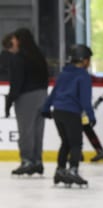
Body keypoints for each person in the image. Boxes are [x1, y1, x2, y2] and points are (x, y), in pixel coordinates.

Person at [39, 44, 95, 188]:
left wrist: (46, 108)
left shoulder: (64, 73)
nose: (89, 63)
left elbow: (54, 93)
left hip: (58, 112)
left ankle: (60, 170)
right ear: (83, 60)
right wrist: (91, 115)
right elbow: (85, 99)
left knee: (66, 142)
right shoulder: (83, 76)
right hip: (71, 113)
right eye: (89, 59)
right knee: (76, 143)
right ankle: (73, 170)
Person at [7, 28, 50, 176]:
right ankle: (37, 161)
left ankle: (27, 161)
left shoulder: (19, 57)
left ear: (19, 40)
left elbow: (16, 81)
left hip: (26, 96)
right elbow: (46, 76)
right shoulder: (39, 55)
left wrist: (10, 100)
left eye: (14, 38)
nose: (12, 41)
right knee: (38, 130)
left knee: (26, 130)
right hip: (42, 95)